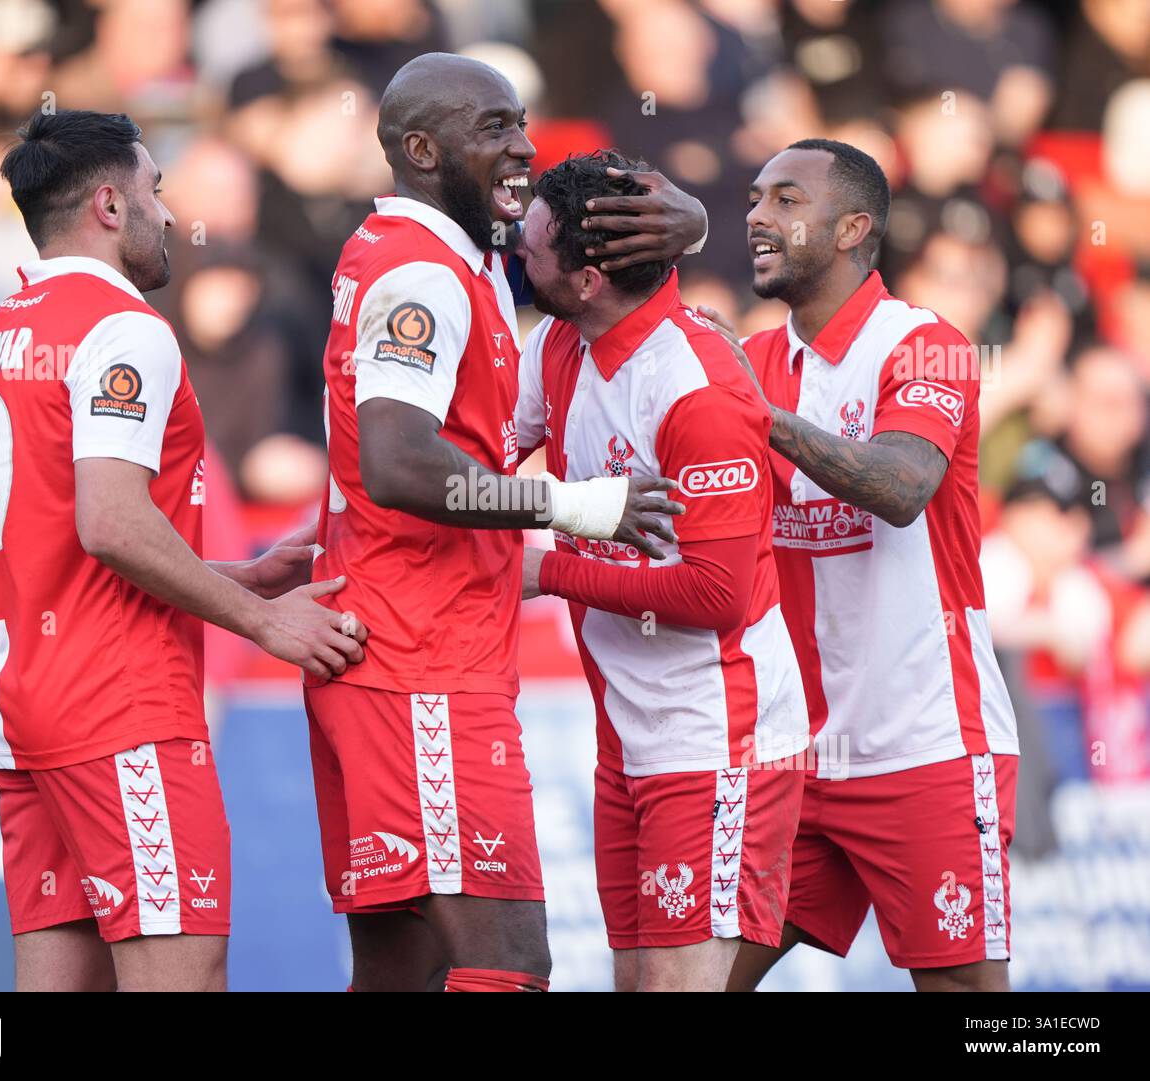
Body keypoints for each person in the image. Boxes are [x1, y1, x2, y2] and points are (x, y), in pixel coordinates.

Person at [308, 53, 706, 992]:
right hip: (421, 660)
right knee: (510, 965)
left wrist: (686, 224)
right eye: (494, 128)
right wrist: (574, 506)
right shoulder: (423, 276)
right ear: (420, 149)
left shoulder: (451, 255)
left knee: (404, 971)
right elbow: (399, 461)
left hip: (396, 650)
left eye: (522, 122)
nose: (523, 146)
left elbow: (585, 249)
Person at [0, 108, 366, 992]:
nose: (170, 213)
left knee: (62, 974)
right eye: (156, 189)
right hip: (118, 703)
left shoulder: (1, 331)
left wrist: (236, 571)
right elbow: (108, 523)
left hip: (22, 690)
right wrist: (263, 620)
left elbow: (63, 543)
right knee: (181, 969)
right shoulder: (126, 328)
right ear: (109, 204)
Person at [689, 139, 1019, 991]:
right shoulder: (753, 362)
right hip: (795, 755)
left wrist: (760, 419)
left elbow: (903, 485)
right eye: (755, 197)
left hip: (926, 743)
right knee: (693, 979)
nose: (758, 215)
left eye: (787, 200)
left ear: (852, 228)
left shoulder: (927, 345)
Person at [514, 151, 809, 992]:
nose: (517, 257)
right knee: (640, 982)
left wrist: (552, 571)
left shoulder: (697, 389)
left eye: (533, 249)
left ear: (590, 277)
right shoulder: (560, 347)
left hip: (720, 737)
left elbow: (714, 596)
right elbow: (482, 463)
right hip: (631, 736)